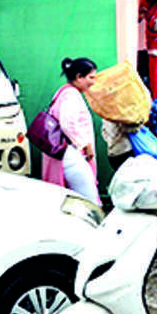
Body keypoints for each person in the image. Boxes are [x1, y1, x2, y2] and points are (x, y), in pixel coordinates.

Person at [41, 57, 101, 205]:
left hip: (66, 153)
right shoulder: (71, 95)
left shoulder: (64, 92)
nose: (93, 81)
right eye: (90, 77)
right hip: (71, 153)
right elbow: (67, 124)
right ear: (79, 77)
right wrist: (84, 145)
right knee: (90, 200)